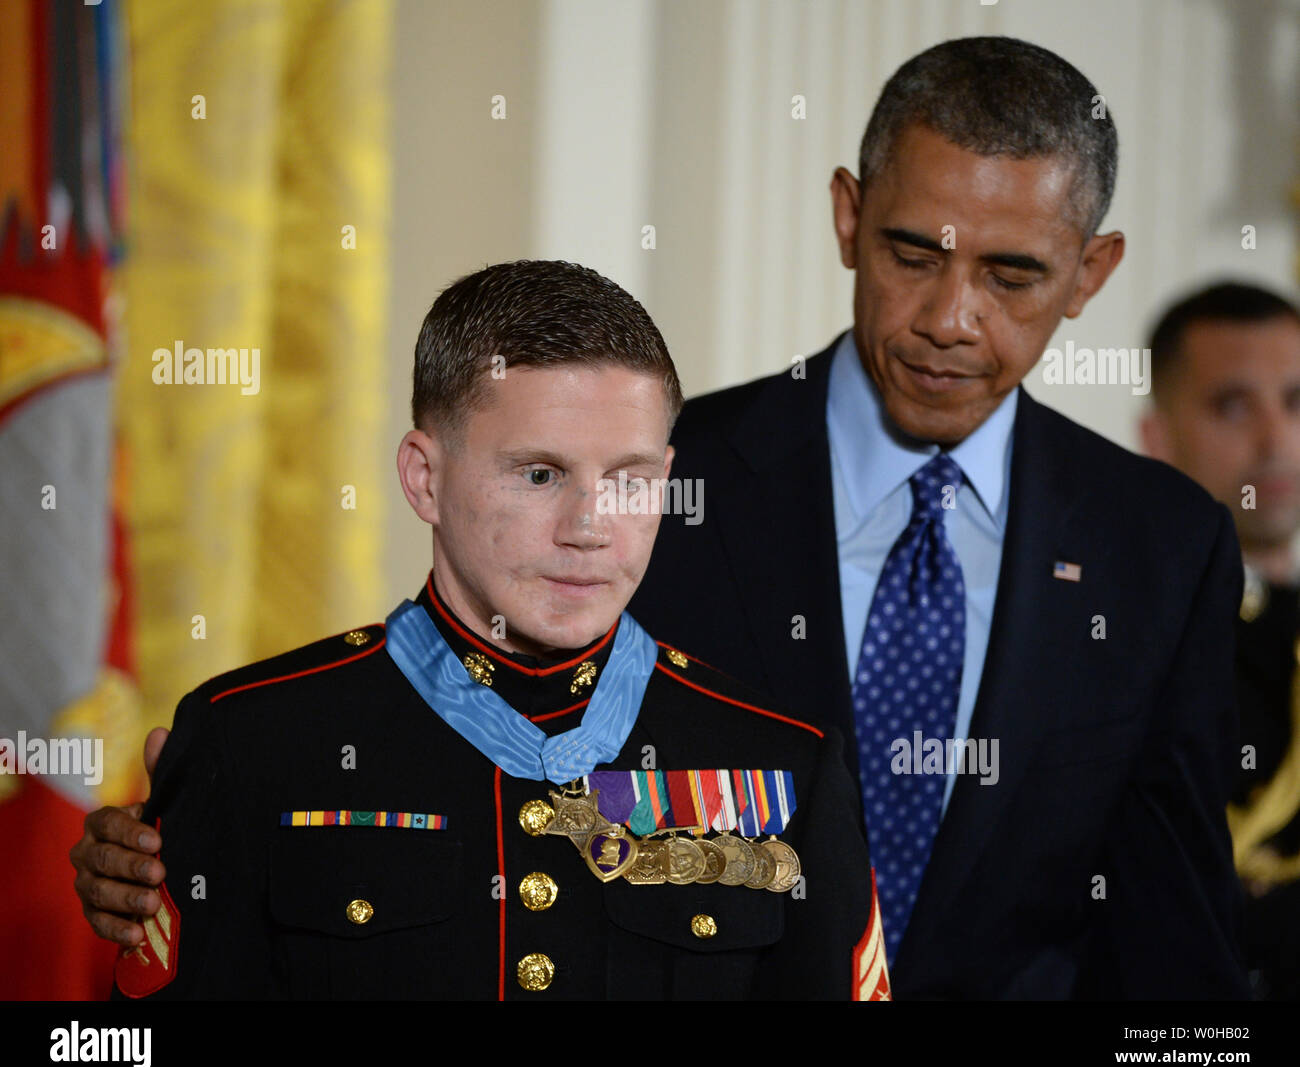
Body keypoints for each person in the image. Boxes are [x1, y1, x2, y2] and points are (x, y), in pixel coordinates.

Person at [75, 35, 1249, 1000]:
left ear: (1090, 274)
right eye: (911, 253)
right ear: (847, 216)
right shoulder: (652, 480)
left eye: (1012, 276)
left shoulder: (1162, 544)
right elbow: (425, 740)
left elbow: (1173, 933)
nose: (950, 316)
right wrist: (188, 855)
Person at [84, 259, 885, 1001]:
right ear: (423, 479)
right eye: (540, 474)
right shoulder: (251, 741)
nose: (590, 527)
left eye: (628, 480)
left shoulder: (787, 765)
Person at [1139, 281, 1300, 999]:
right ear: (1158, 436)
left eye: (1296, 402)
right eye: (1233, 405)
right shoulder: (1109, 636)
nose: (1277, 440)